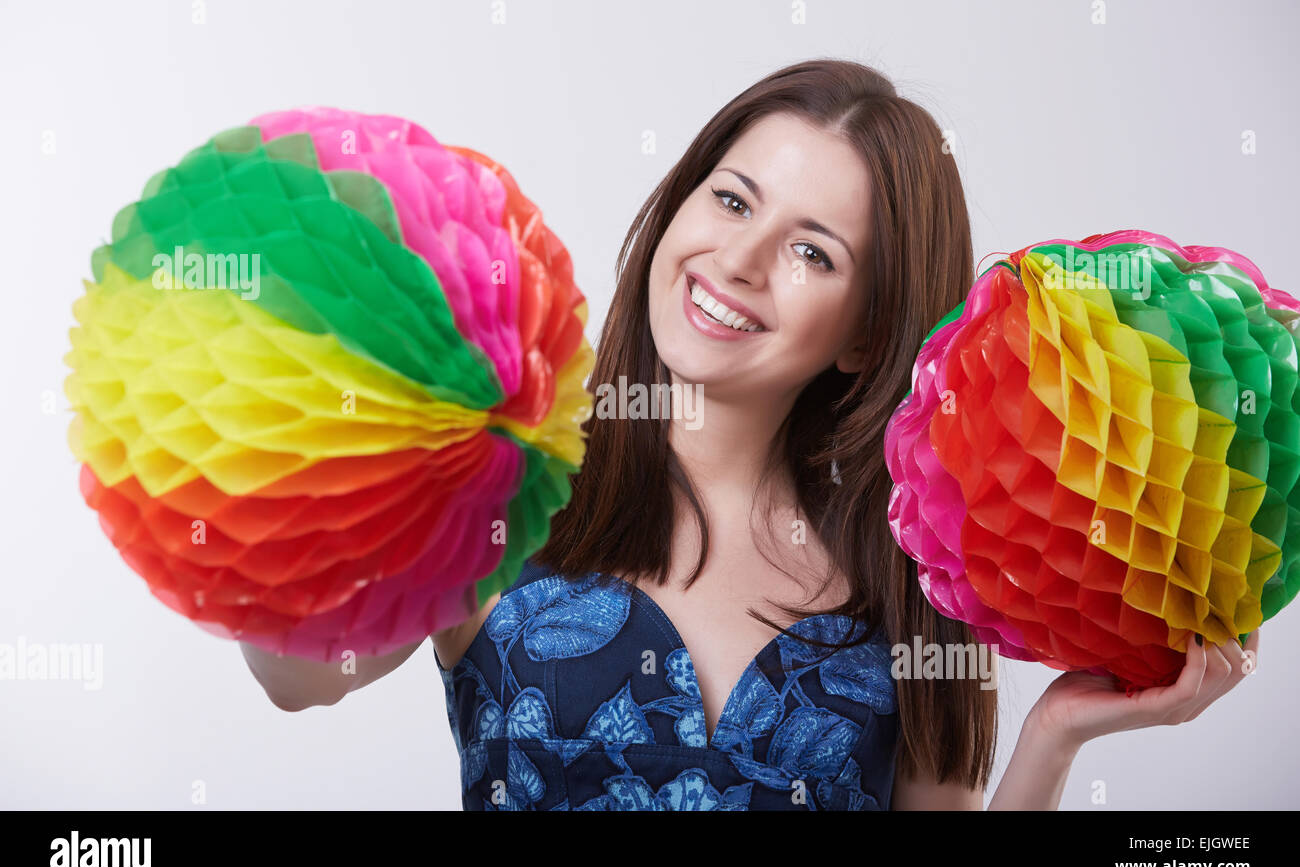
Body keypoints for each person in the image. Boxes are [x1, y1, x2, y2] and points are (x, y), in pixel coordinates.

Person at [240, 57, 1260, 810]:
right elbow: (297, 677)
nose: (738, 259)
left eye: (812, 252)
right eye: (731, 200)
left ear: (866, 335)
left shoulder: (912, 576)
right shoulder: (509, 492)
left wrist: (1055, 736)